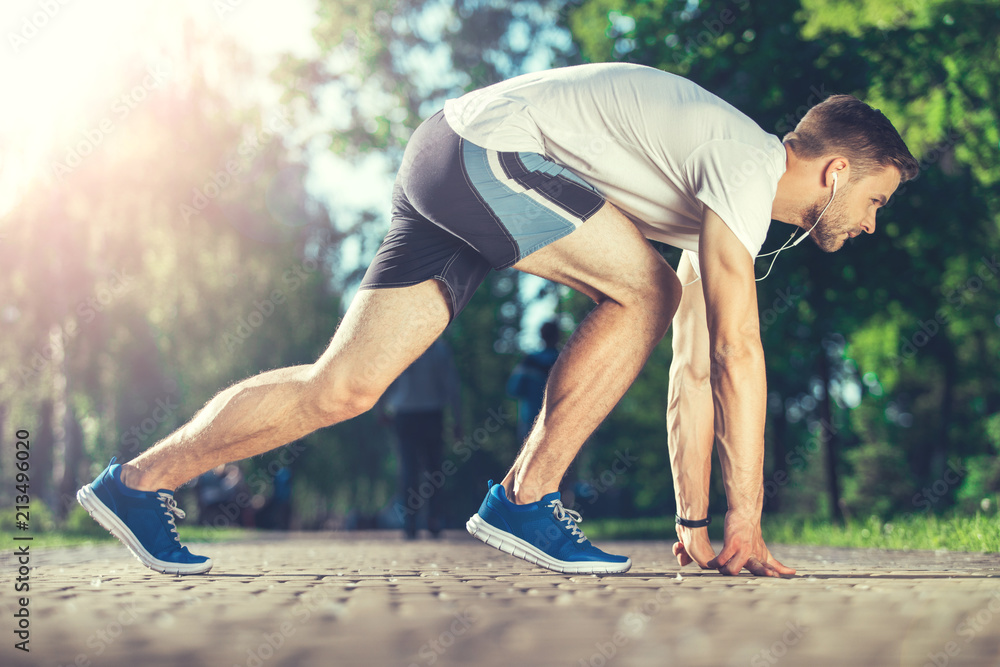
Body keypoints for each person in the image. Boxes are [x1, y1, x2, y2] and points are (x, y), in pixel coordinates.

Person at [77, 62, 917, 577]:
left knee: (344, 387)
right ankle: (526, 496)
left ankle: (137, 483)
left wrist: (699, 527)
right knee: (647, 292)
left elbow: (694, 369)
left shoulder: (718, 203)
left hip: (454, 157)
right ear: (837, 170)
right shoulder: (746, 161)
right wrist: (751, 522)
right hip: (486, 156)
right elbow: (739, 348)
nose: (873, 223)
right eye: (876, 200)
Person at [380, 338, 461, 539]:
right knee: (433, 470)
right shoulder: (439, 350)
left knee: (409, 469)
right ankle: (432, 519)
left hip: (405, 414)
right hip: (431, 415)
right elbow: (452, 386)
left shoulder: (400, 347)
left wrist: (381, 408)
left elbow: (386, 381)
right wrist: (458, 420)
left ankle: (411, 522)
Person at [507, 320, 561, 443]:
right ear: (558, 336)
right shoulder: (565, 360)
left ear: (541, 335)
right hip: (559, 421)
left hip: (530, 422)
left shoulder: (529, 361)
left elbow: (513, 390)